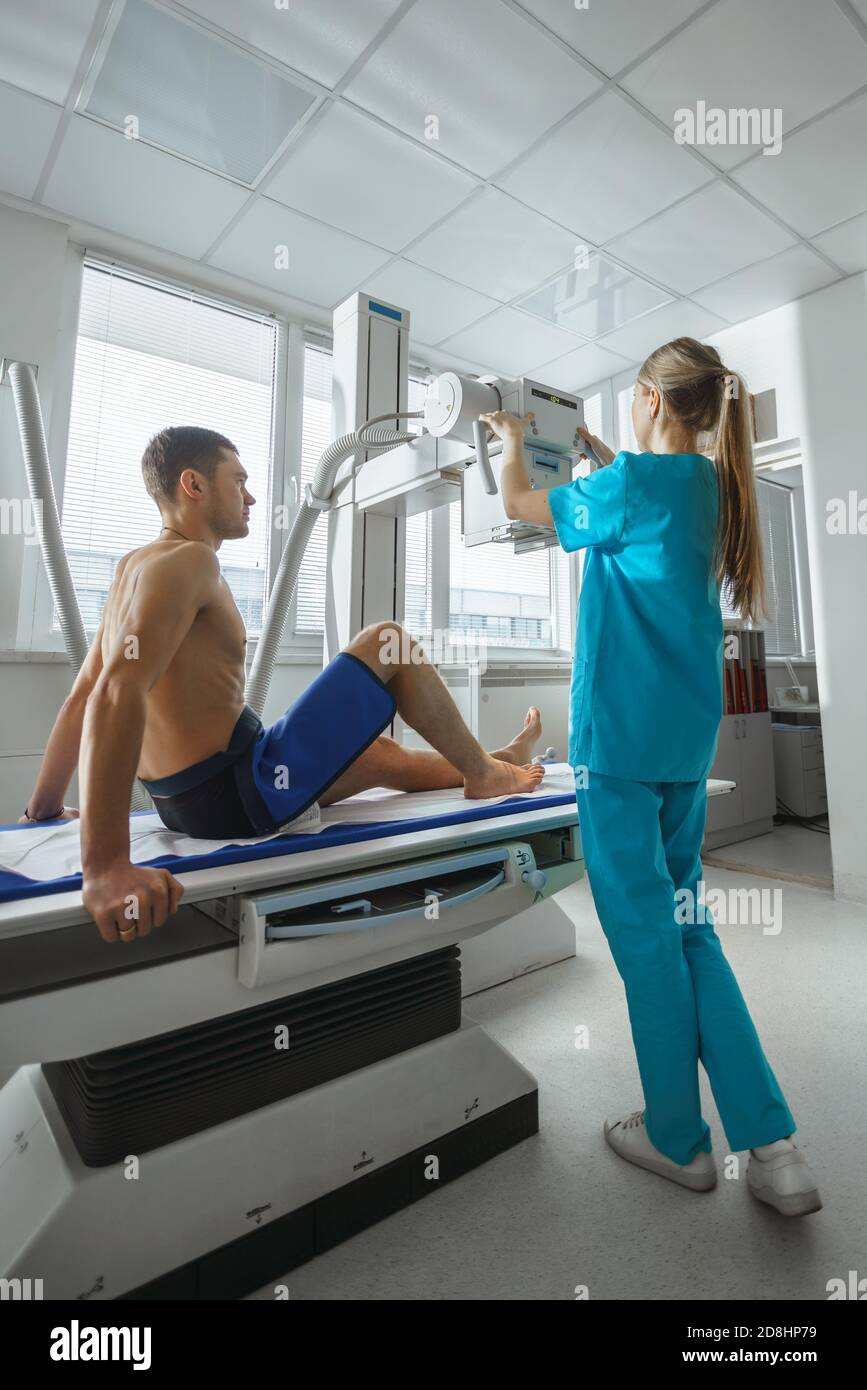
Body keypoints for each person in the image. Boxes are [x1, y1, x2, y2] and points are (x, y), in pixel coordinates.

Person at [481, 336, 822, 1218]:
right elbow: (642, 513)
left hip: (620, 748)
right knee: (686, 928)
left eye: (635, 401)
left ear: (651, 401)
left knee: (645, 946)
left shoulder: (628, 488)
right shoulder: (710, 487)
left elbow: (521, 503)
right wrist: (599, 454)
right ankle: (773, 1146)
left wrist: (511, 434)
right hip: (678, 748)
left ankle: (677, 1140)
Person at [19, 426, 545, 946]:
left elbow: (81, 696)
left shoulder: (131, 569)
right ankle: (485, 774)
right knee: (389, 643)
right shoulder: (192, 561)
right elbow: (114, 693)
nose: (250, 497)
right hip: (242, 790)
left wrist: (42, 809)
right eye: (239, 481)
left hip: (187, 801)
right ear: (193, 485)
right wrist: (106, 866)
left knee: (380, 754)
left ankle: (492, 758)